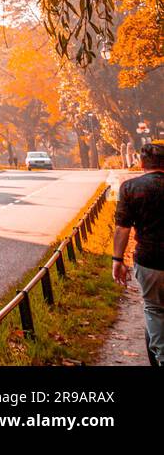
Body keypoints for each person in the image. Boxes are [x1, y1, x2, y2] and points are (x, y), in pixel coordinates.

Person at [113, 140, 164, 367]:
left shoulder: (130, 188)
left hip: (149, 260)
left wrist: (117, 259)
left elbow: (122, 228)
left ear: (142, 162)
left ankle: (162, 357)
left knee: (154, 309)